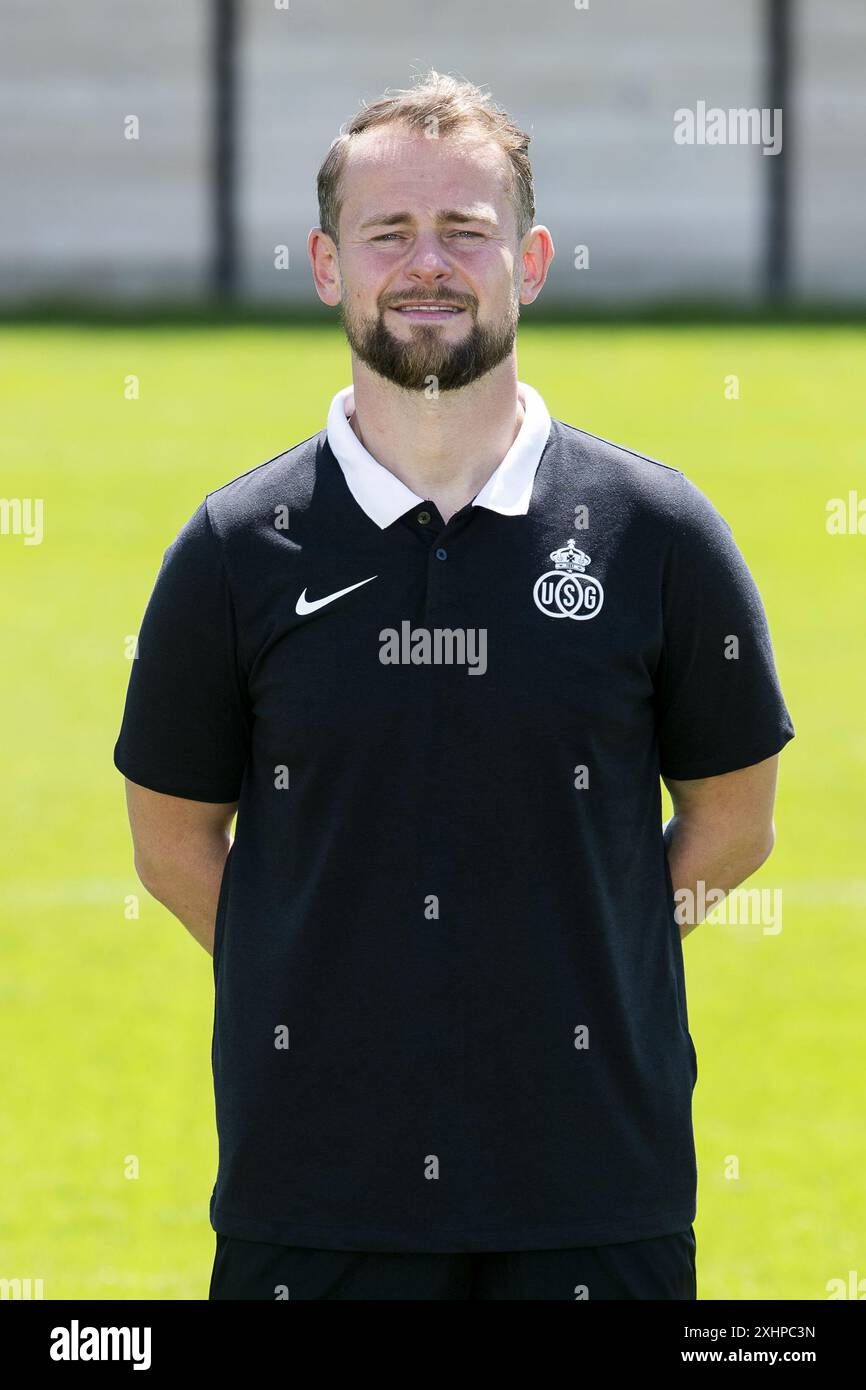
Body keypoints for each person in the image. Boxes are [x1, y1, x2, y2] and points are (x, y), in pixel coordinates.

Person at [114, 70, 795, 1301]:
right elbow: (170, 842)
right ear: (327, 265)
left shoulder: (656, 531)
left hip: (595, 1189)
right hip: (312, 1193)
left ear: (527, 260)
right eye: (388, 232)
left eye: (463, 231)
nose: (426, 264)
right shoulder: (230, 550)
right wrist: (325, 970)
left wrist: (569, 962)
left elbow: (733, 822)